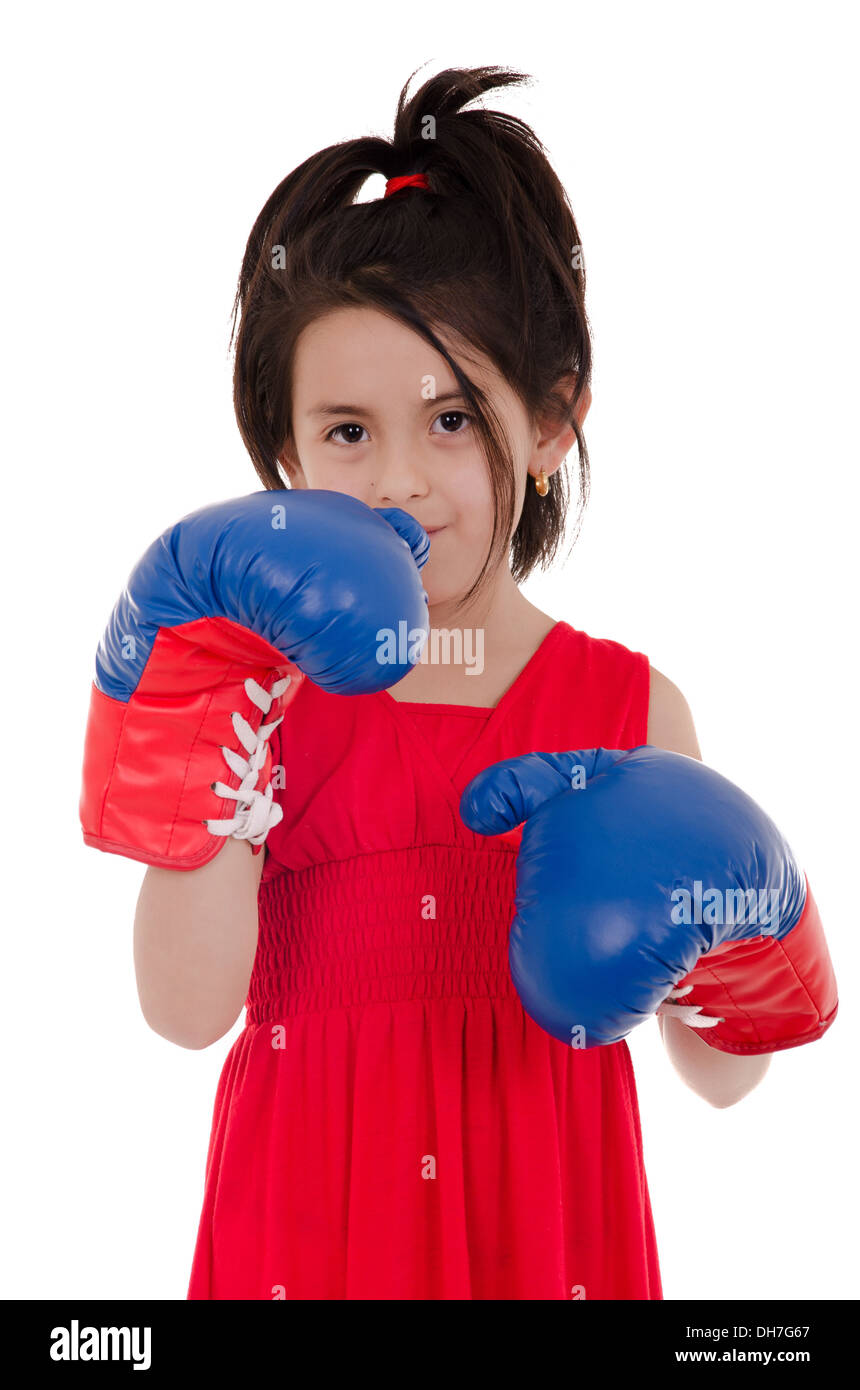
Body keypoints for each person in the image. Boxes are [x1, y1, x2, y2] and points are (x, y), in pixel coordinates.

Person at [80, 64, 837, 1301]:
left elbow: (724, 1072)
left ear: (548, 424)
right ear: (282, 455)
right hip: (308, 1240)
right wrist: (193, 719)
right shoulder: (264, 699)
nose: (397, 480)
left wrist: (759, 909)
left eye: (448, 419)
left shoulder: (630, 706)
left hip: (546, 1247)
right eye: (345, 431)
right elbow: (184, 1008)